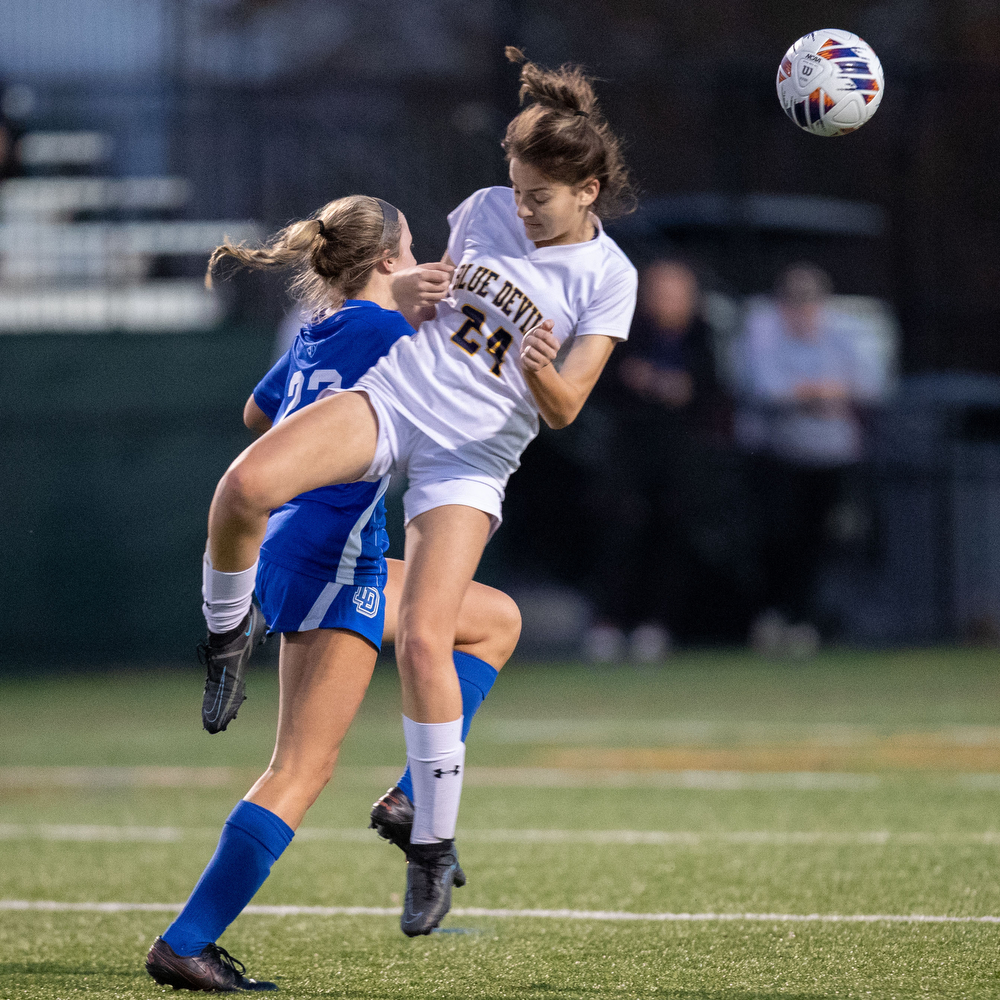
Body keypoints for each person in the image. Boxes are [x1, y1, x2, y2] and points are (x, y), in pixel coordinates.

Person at [196, 46, 638, 937]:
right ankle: (224, 631)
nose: (521, 207)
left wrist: (540, 365)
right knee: (246, 485)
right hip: (401, 400)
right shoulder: (483, 210)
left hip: (472, 457)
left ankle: (428, 845)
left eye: (540, 197)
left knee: (432, 638)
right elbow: (426, 293)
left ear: (587, 188)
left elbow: (563, 409)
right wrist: (417, 285)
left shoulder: (609, 278)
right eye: (516, 190)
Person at [145, 194, 521, 991]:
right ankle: (186, 942)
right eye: (413, 246)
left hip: (303, 546)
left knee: (492, 621)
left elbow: (259, 413)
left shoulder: (320, 330)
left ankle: (412, 798)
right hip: (333, 563)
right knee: (301, 770)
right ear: (387, 260)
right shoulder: (387, 330)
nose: (421, 258)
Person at [733, 262, 890, 654]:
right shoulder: (764, 333)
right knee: (777, 538)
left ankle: (803, 619)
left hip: (831, 458)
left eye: (809, 302)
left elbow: (870, 386)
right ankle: (771, 614)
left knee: (820, 542)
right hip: (780, 455)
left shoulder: (840, 334)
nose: (802, 310)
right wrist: (819, 394)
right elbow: (766, 389)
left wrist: (809, 393)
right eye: (793, 302)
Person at [585, 259, 724, 660]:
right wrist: (640, 380)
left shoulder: (703, 334)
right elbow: (600, 384)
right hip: (629, 451)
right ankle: (608, 623)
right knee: (619, 533)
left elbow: (712, 389)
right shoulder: (626, 333)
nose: (668, 301)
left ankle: (656, 626)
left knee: (670, 535)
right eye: (661, 292)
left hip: (680, 455)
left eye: (677, 293)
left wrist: (682, 389)